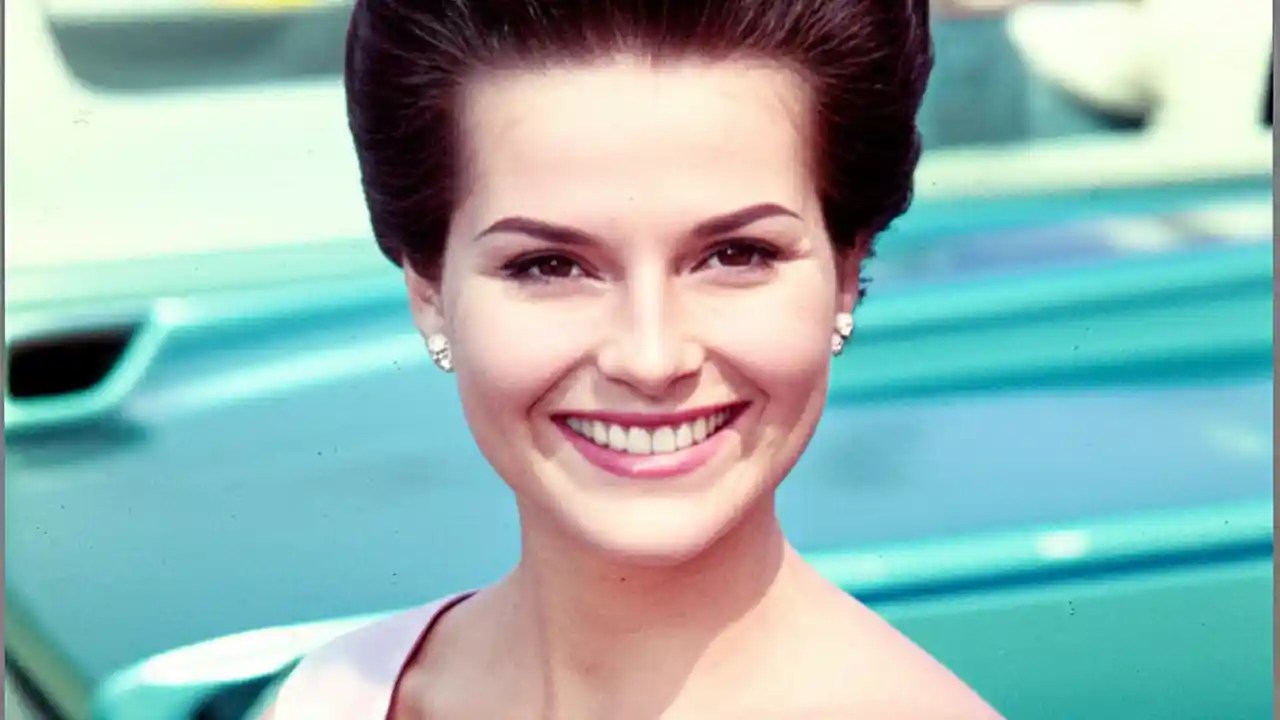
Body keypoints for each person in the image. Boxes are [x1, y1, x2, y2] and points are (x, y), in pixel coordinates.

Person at [265, 1, 1002, 717]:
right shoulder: (335, 695)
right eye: (549, 265)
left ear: (845, 272)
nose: (651, 358)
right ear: (429, 290)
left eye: (736, 255)